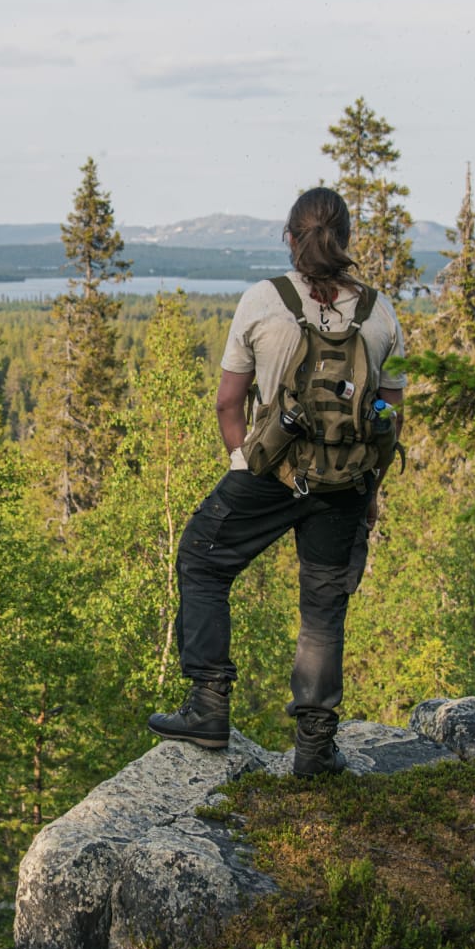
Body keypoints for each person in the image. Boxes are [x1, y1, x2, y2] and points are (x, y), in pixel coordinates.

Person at [147, 186, 406, 775]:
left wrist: (247, 461)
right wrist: (370, 492)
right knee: (321, 607)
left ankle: (208, 706)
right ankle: (314, 748)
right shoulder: (379, 313)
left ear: (291, 238)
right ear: (345, 239)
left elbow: (228, 404)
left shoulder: (264, 301)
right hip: (345, 483)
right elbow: (390, 419)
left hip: (270, 473)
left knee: (202, 559)